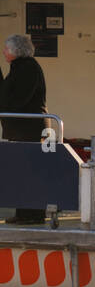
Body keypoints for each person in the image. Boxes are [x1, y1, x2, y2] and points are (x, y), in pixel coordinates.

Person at [0, 34, 49, 224]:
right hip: (23, 129)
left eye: (6, 48)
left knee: (30, 172)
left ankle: (33, 214)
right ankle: (24, 212)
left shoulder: (27, 68)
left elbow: (17, 99)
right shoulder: (20, 68)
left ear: (16, 51)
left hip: (29, 130)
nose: (3, 51)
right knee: (22, 172)